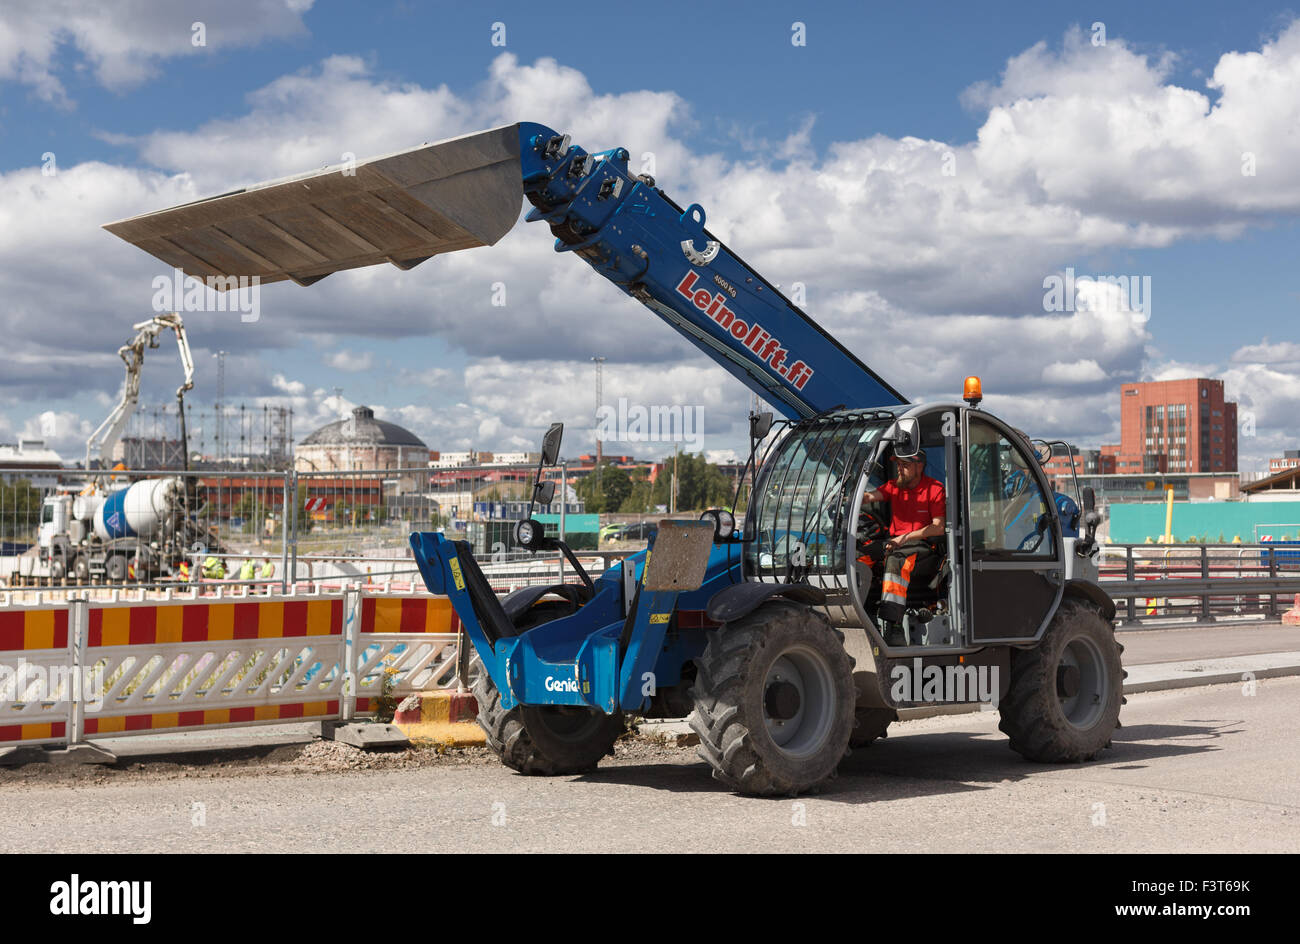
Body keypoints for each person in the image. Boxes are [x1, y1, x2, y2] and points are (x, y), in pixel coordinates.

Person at [858, 449, 946, 645]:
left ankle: (894, 625)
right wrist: (852, 499)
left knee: (895, 562)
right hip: (895, 543)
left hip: (923, 546)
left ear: (919, 466)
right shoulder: (894, 486)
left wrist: (904, 538)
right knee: (860, 557)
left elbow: (938, 528)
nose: (900, 469)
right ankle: (863, 614)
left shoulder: (935, 489)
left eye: (905, 465)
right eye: (898, 464)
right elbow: (869, 497)